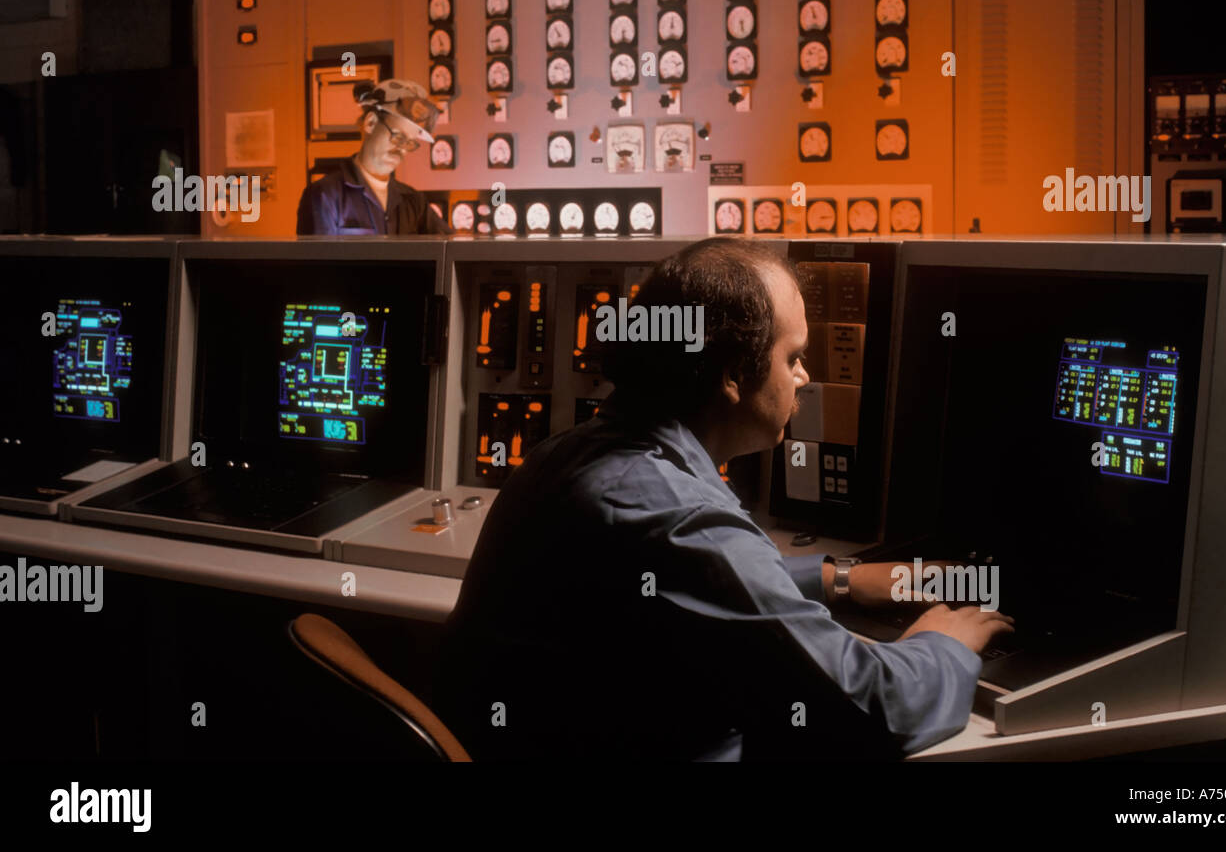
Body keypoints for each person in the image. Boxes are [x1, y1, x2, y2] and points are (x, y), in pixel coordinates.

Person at [434, 238, 1013, 761]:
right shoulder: (672, 517)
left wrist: (840, 579)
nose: (804, 377)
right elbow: (879, 708)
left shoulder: (568, 454)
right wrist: (945, 641)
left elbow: (711, 579)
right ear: (734, 374)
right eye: (792, 357)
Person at [296, 78, 452, 236]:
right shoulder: (325, 196)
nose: (402, 150)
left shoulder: (413, 201)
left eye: (410, 143)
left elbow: (452, 248)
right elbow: (318, 260)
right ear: (370, 123)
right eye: (398, 136)